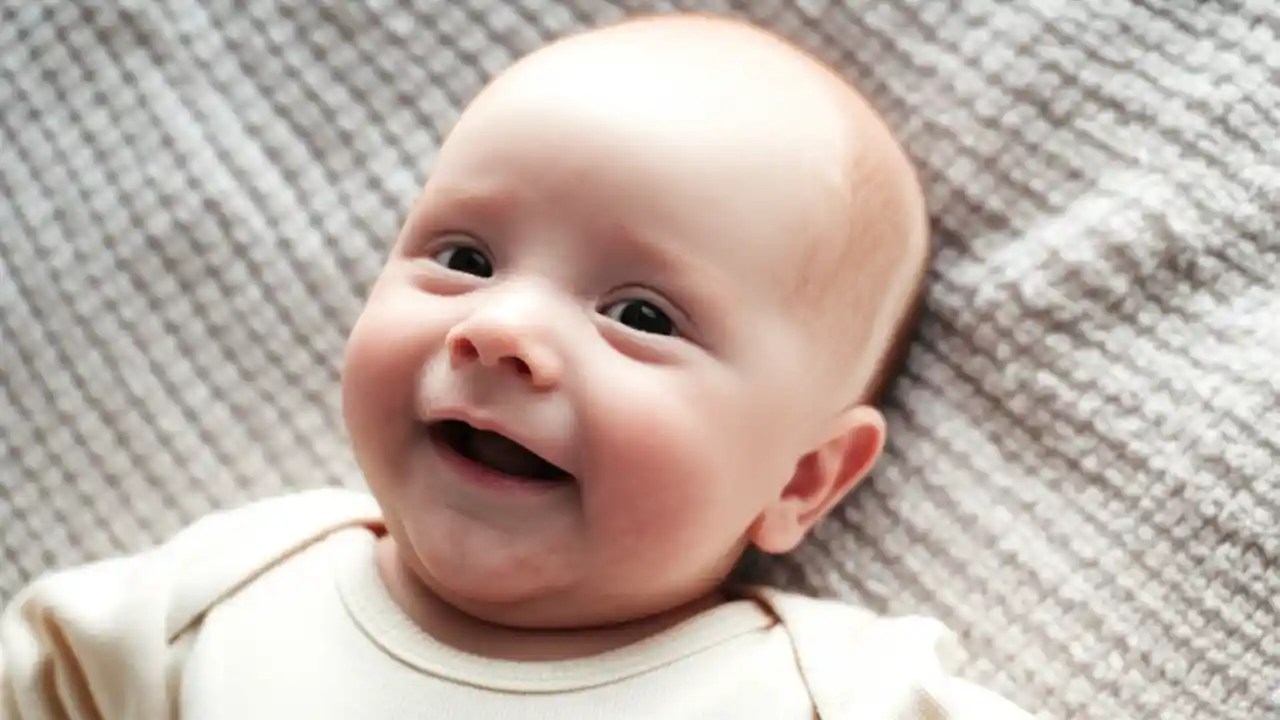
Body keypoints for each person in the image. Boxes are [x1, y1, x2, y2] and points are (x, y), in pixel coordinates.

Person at [1, 14, 1033, 719]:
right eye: (463, 260)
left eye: (638, 314)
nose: (499, 329)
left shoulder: (832, 693)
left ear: (800, 477)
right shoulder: (222, 593)